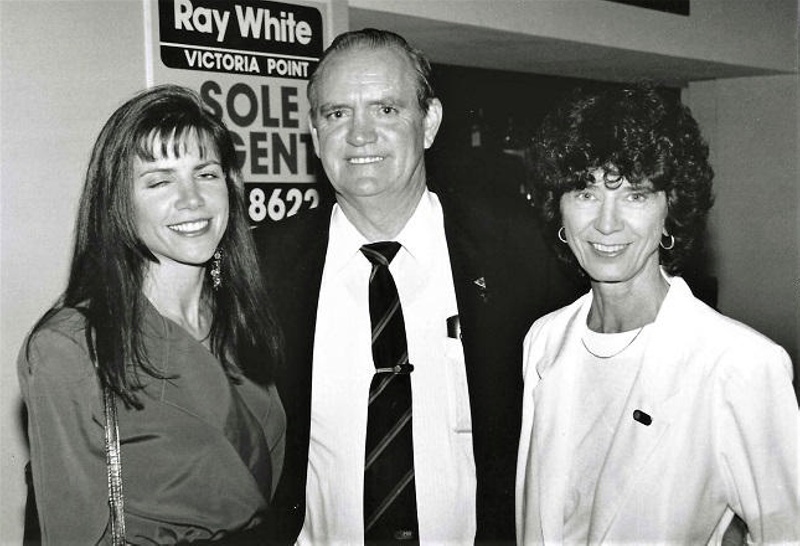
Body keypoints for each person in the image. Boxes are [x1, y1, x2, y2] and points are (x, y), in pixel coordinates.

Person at [255, 28, 574, 544]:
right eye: (337, 114)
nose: (360, 135)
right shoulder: (262, 268)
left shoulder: (521, 256)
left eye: (385, 110)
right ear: (314, 133)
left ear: (429, 122)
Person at [516, 84, 799, 544]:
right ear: (558, 208)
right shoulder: (544, 341)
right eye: (585, 193)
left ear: (670, 210)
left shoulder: (737, 363)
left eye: (636, 195)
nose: (607, 224)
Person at [18, 84, 286, 544]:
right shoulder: (71, 346)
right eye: (160, 181)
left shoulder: (244, 318)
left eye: (205, 174)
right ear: (119, 203)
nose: (192, 200)